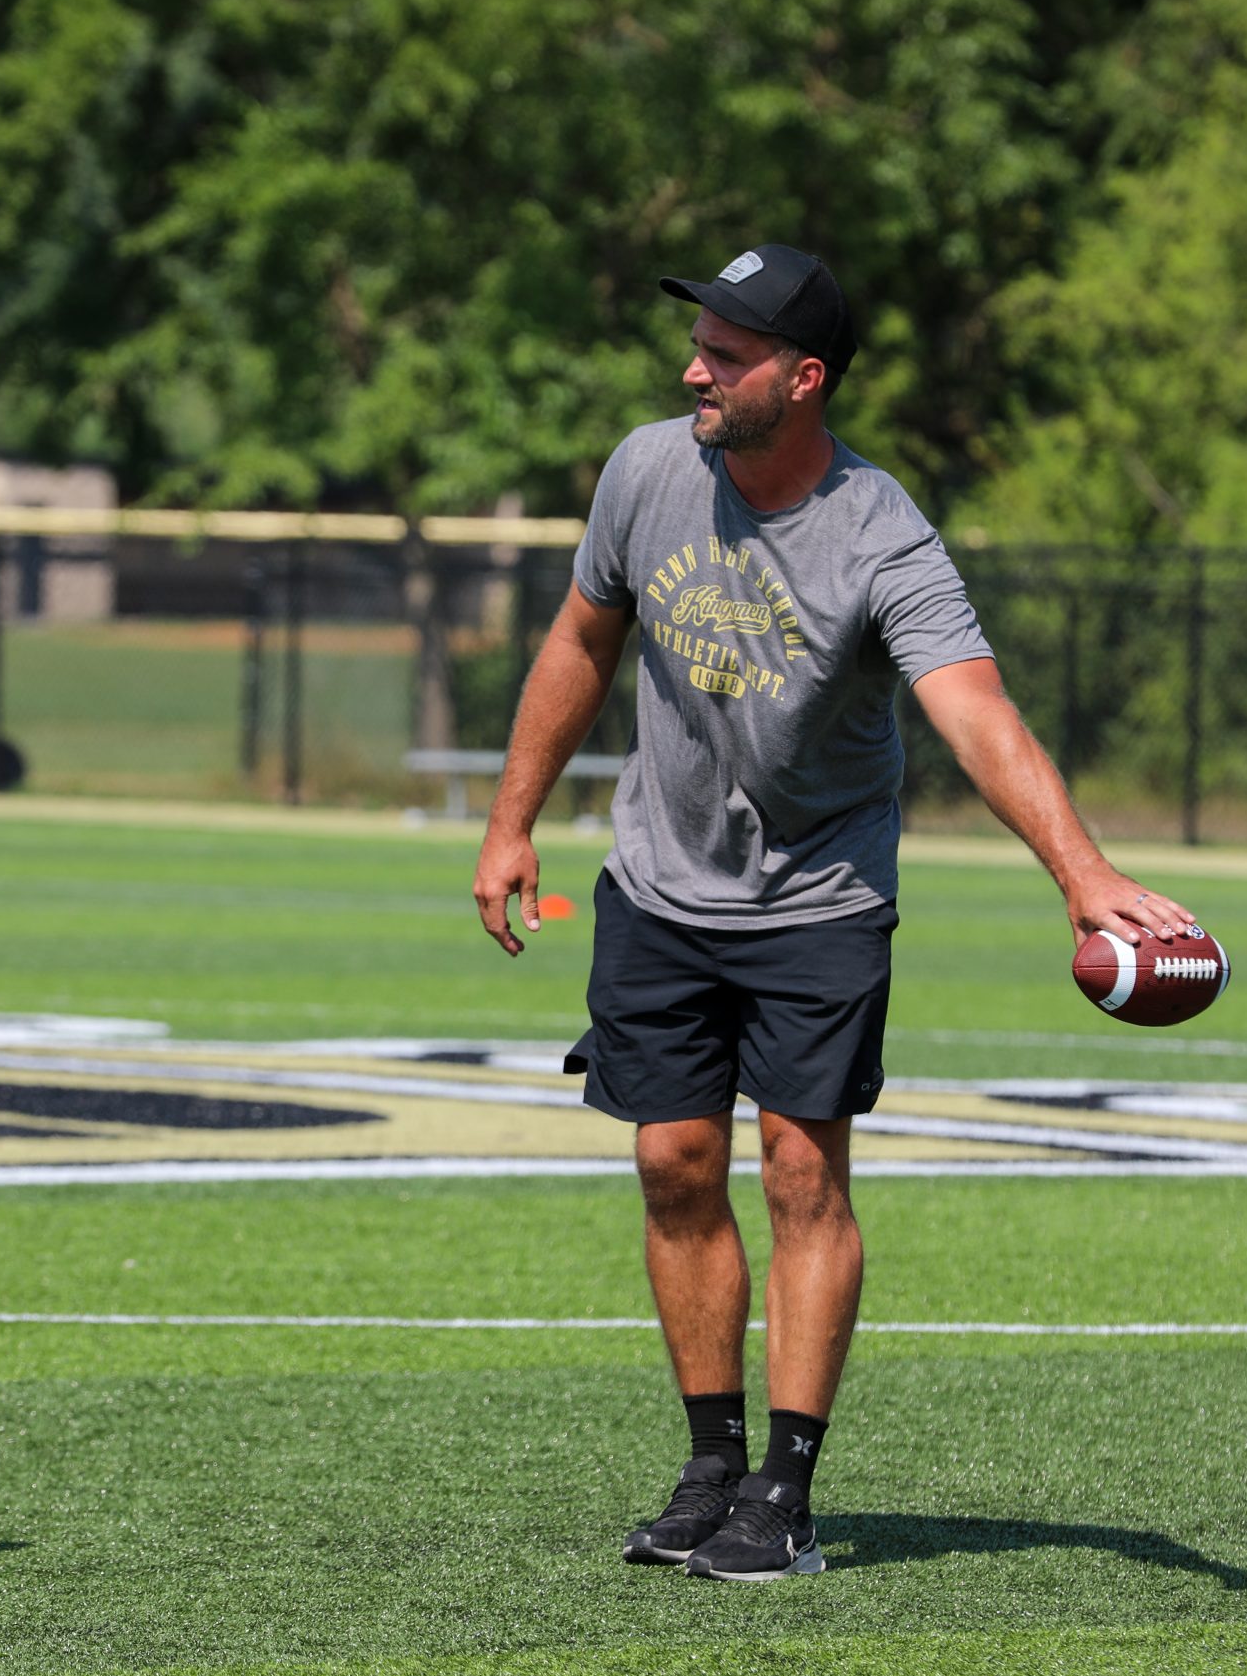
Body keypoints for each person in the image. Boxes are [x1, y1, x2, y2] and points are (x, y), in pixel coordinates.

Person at [471, 244, 1198, 1583]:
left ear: (802, 380)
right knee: (671, 1161)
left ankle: (786, 1493)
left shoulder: (883, 532)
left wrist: (1085, 874)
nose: (696, 366)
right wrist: (513, 819)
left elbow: (975, 711)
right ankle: (709, 1467)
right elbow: (582, 636)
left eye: (729, 353)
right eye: (698, 340)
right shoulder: (645, 470)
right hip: (661, 875)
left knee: (804, 1170)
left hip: (820, 891)